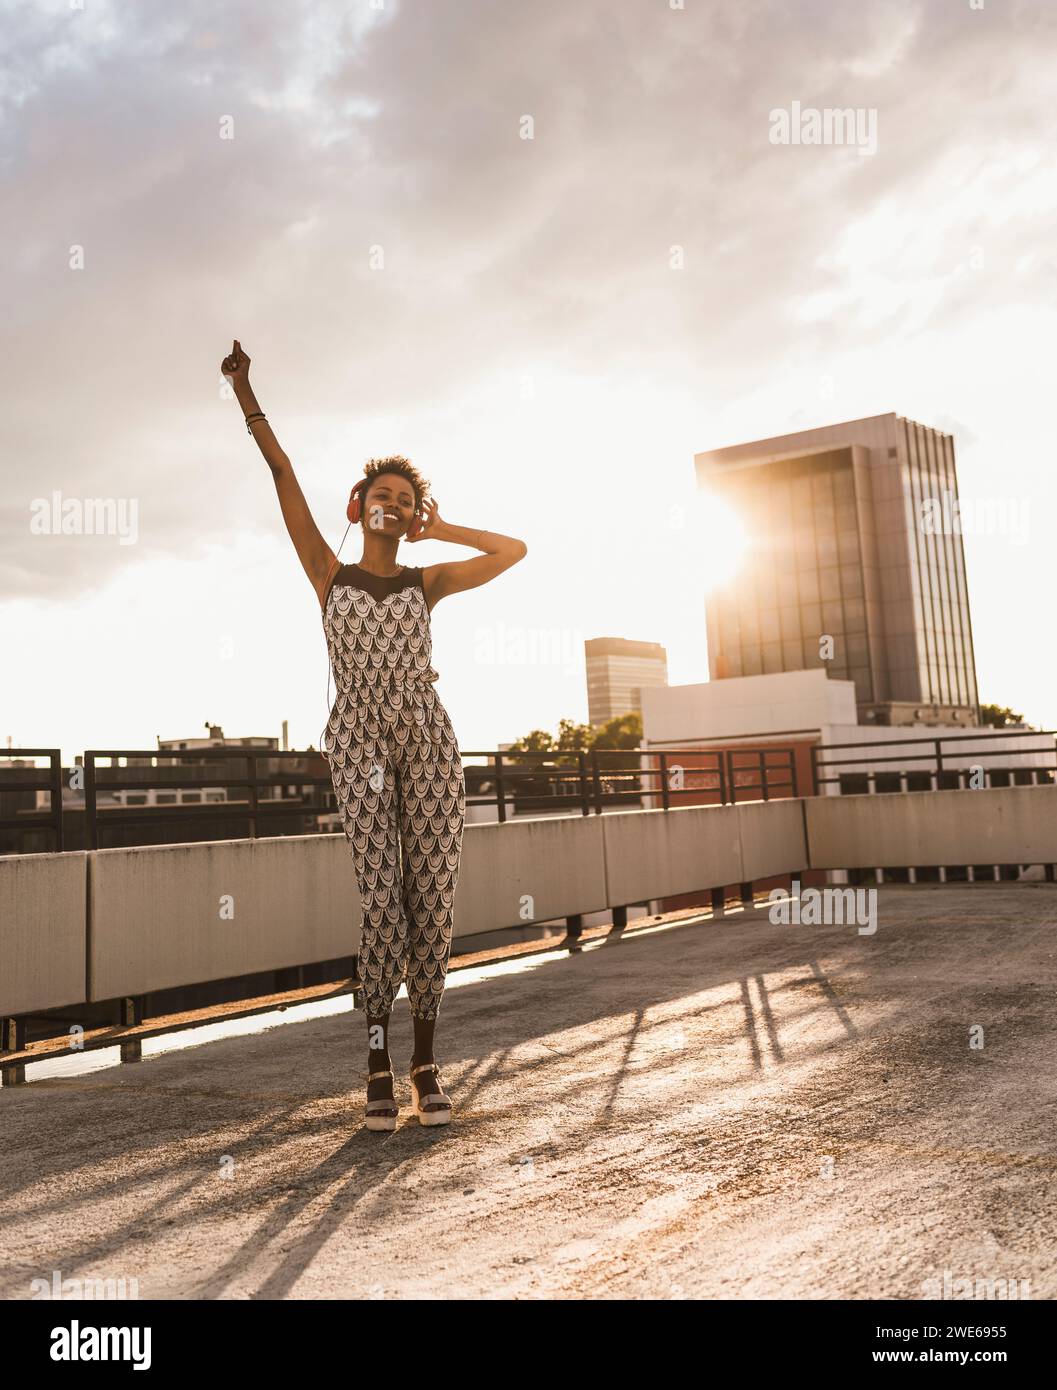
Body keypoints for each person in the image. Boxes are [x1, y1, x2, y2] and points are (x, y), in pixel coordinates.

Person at [220, 339, 527, 1129]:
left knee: (433, 900)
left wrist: (441, 525)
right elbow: (284, 478)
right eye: (378, 492)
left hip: (427, 738)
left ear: (410, 512)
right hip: (356, 738)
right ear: (358, 506)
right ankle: (376, 1060)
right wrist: (247, 394)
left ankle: (426, 1063)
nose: (389, 501)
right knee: (380, 899)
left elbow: (512, 551)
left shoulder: (428, 581)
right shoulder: (328, 571)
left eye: (403, 495)